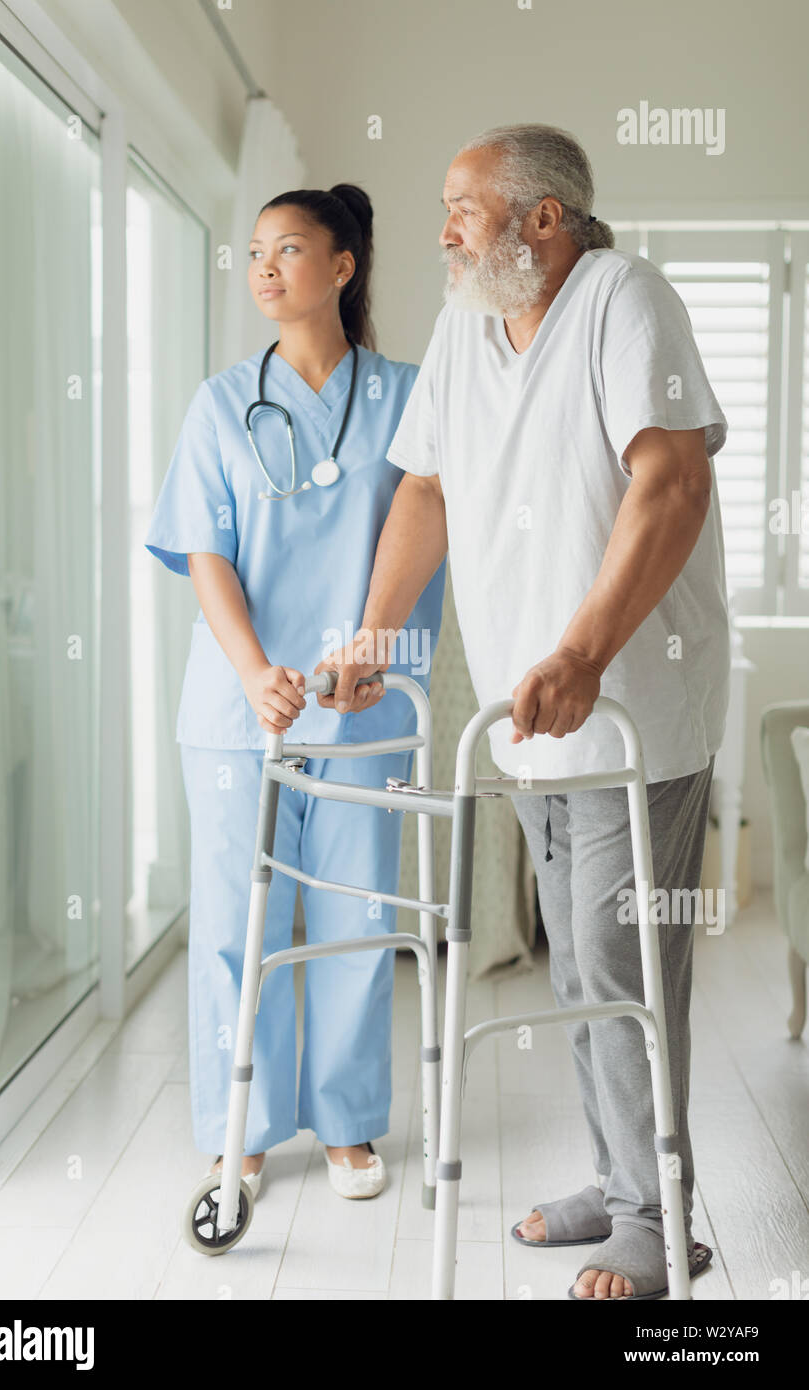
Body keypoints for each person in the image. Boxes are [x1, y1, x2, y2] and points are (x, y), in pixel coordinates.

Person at [319, 125, 729, 1296]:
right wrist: (371, 632)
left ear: (542, 219)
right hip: (526, 716)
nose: (441, 227)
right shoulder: (463, 328)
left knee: (618, 965)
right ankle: (620, 1176)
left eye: (464, 206)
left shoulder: (619, 297)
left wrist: (585, 650)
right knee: (577, 970)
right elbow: (428, 489)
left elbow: (672, 480)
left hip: (630, 702)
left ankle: (658, 1222)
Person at [144, 183, 446, 1201]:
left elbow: (432, 521)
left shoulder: (408, 394)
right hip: (244, 708)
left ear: (343, 267)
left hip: (366, 703)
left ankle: (350, 1123)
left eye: (288, 249)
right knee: (239, 927)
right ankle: (243, 1124)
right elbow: (204, 549)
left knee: (356, 917)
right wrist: (252, 671)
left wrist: (369, 647)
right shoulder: (222, 401)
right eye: (254, 253)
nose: (263, 268)